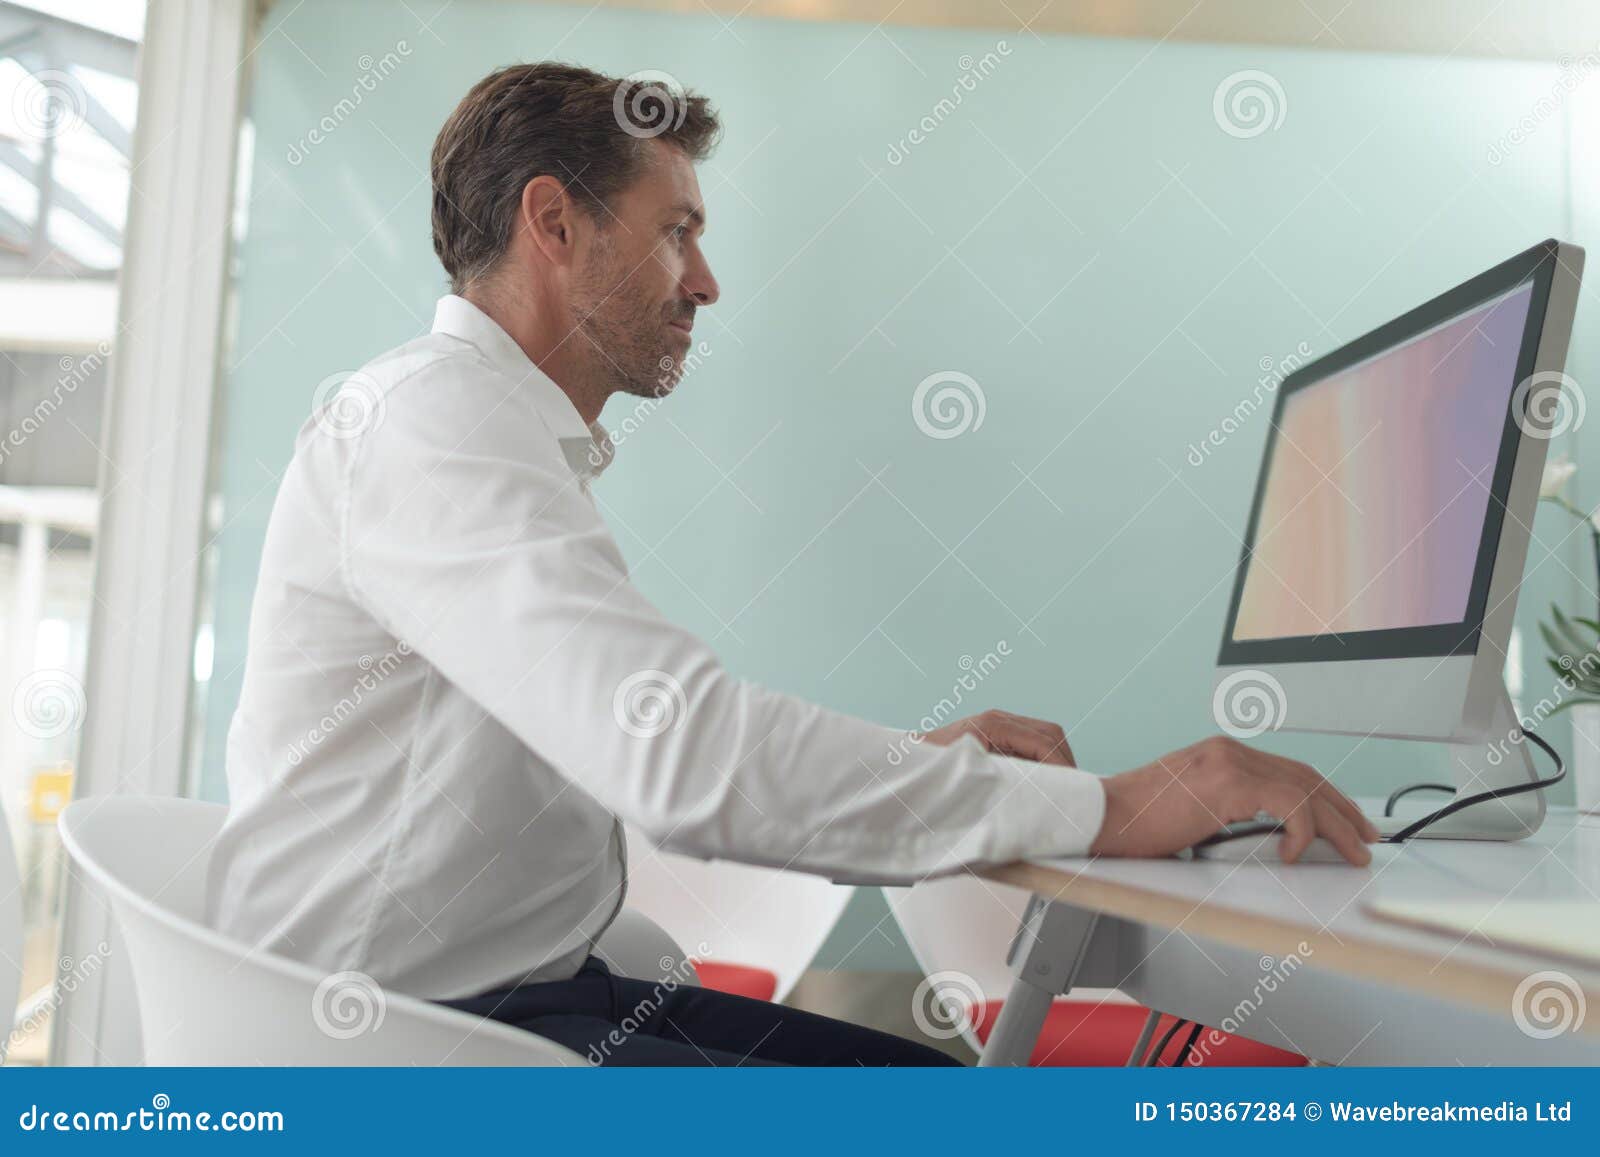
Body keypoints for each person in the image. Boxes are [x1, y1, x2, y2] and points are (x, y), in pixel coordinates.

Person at [207, 62, 1378, 1066]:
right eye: (679, 232)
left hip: (499, 1004)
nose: (704, 282)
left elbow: (620, 751)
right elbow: (682, 754)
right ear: (554, 225)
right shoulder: (434, 427)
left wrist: (910, 767)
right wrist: (1112, 805)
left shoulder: (476, 431)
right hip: (409, 1048)